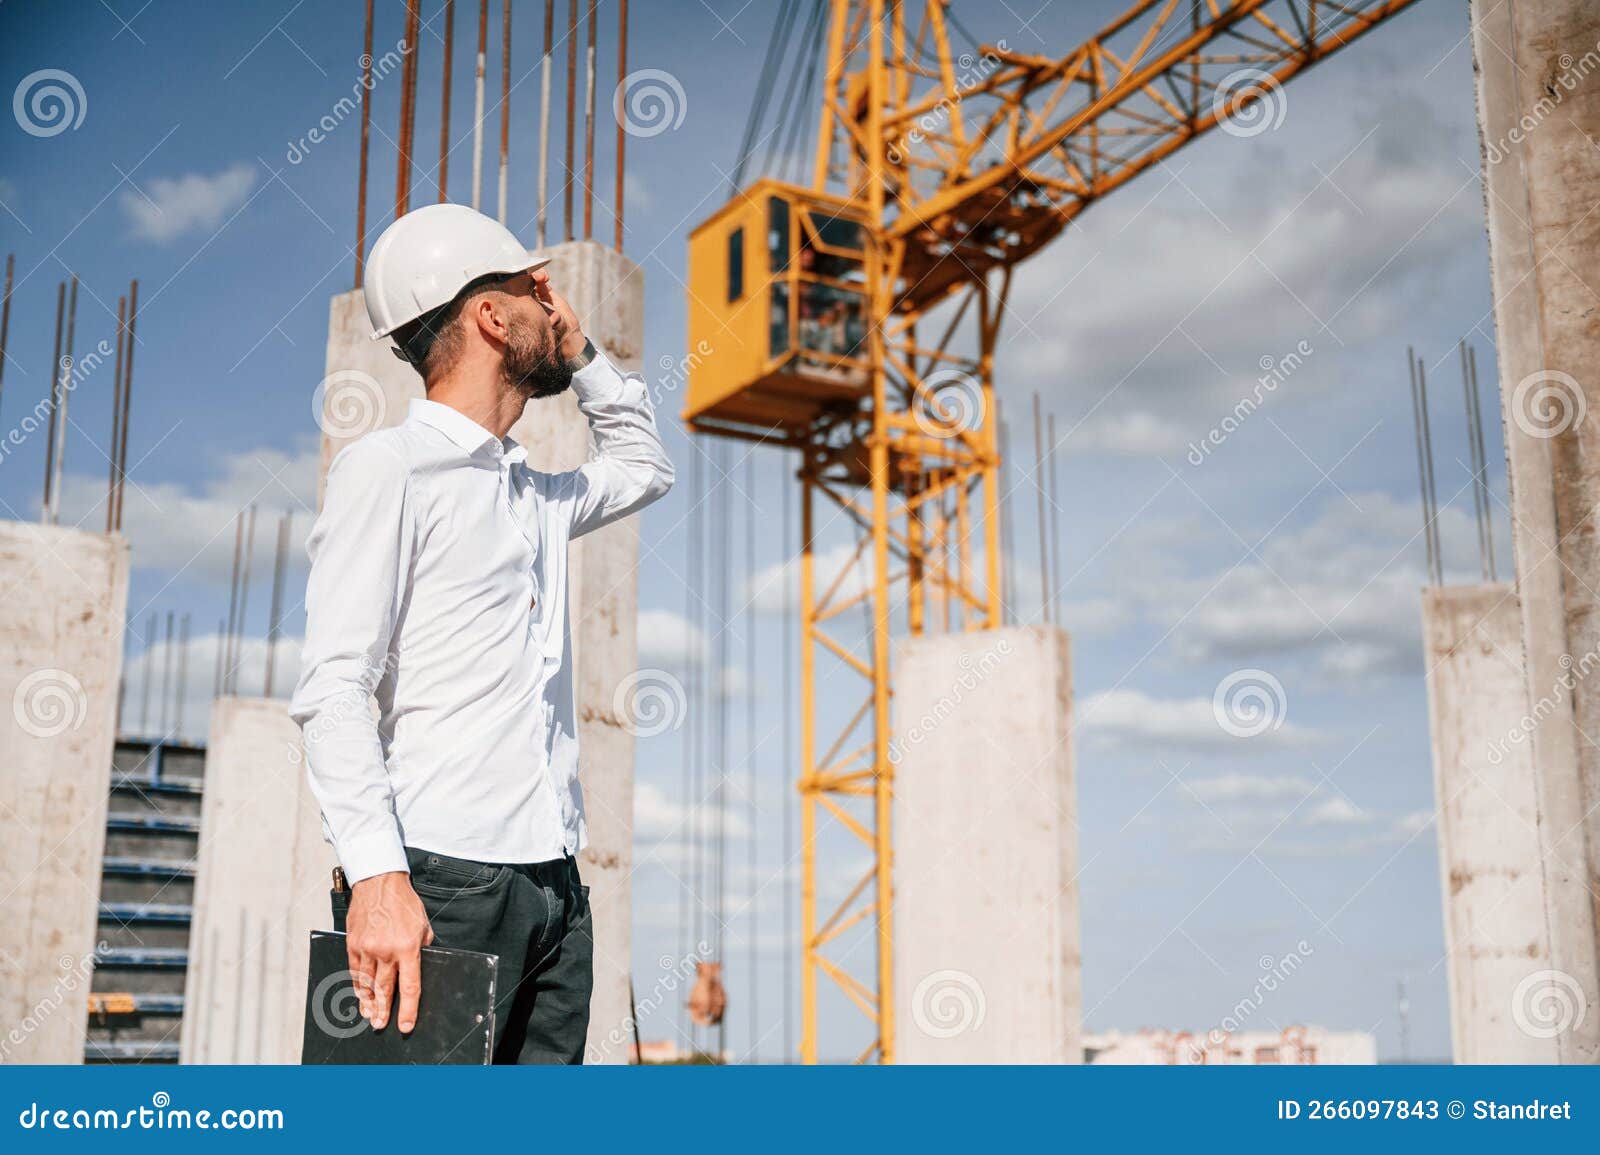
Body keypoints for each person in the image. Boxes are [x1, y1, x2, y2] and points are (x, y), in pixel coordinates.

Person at [290, 203, 673, 1064]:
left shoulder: (531, 494)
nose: (554, 304)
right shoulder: (388, 470)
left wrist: (585, 357)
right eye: (534, 290)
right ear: (491, 317)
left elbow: (647, 466)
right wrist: (379, 878)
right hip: (440, 882)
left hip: (554, 888)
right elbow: (334, 686)